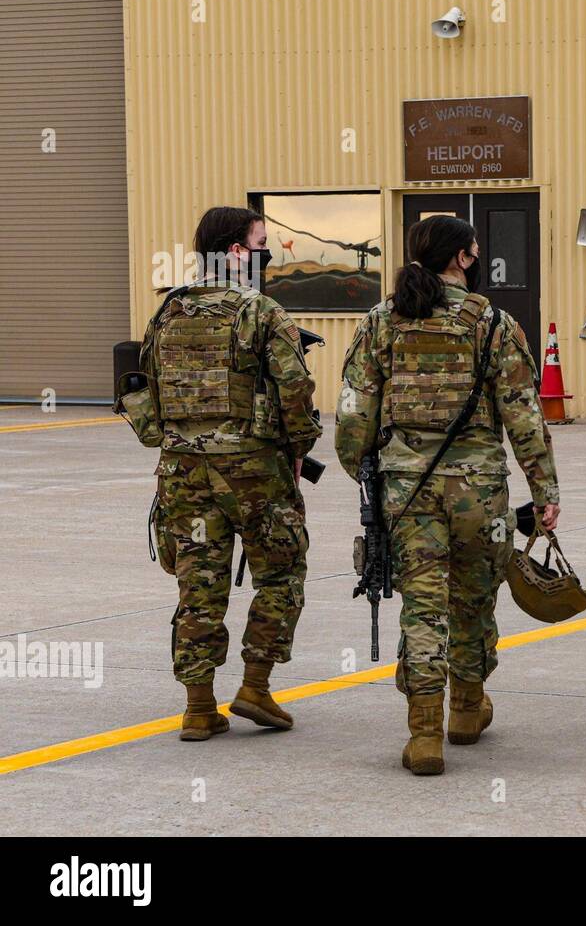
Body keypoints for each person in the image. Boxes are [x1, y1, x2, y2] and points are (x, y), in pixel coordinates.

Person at [335, 215, 559, 776]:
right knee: (474, 600)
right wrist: (545, 489)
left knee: (423, 606)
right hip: (480, 494)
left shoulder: (381, 322)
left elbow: (353, 414)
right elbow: (523, 416)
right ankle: (465, 708)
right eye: (474, 246)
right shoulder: (496, 324)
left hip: (407, 494)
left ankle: (425, 734)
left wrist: (369, 471)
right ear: (461, 257)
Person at [136, 206, 321, 741]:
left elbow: (146, 392)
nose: (266, 252)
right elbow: (295, 391)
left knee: (199, 582)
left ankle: (197, 707)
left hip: (183, 472)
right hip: (254, 472)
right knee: (281, 574)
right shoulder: (261, 312)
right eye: (261, 243)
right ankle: (255, 687)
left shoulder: (168, 314)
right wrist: (298, 447)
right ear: (238, 251)